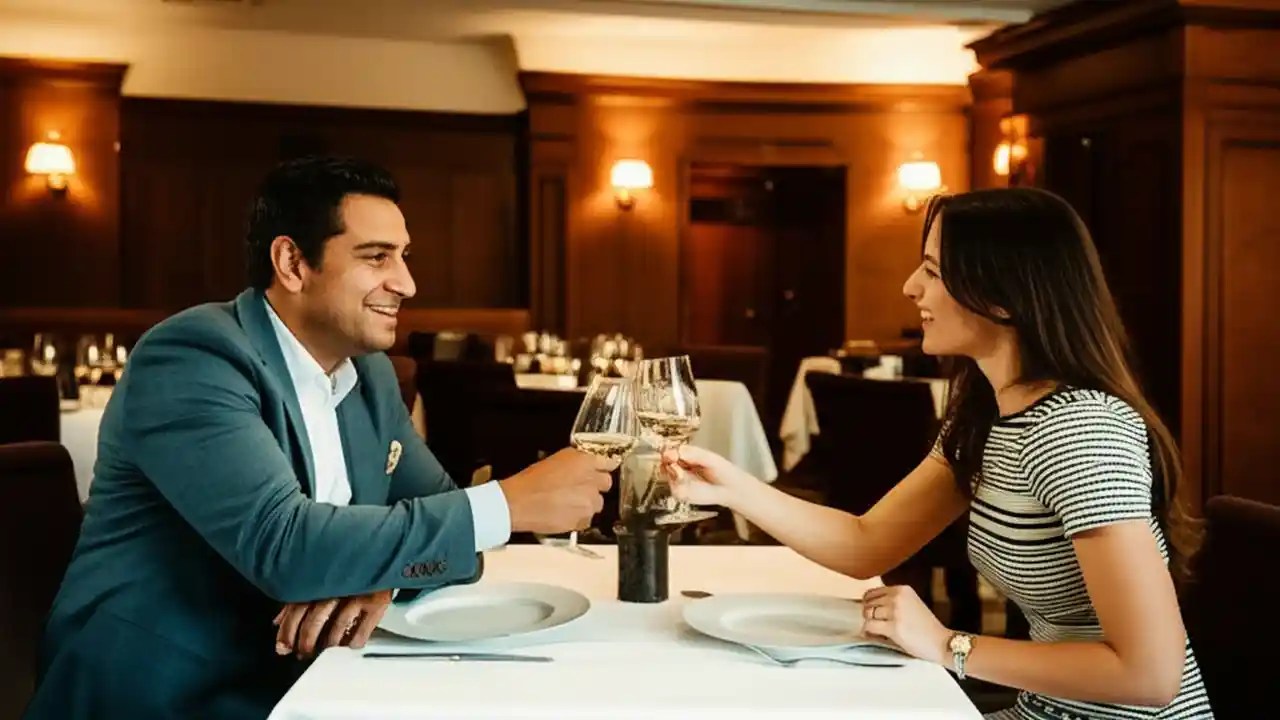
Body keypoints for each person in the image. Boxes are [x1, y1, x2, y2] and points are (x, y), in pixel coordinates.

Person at [24, 156, 612, 720]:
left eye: (404, 257)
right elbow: (285, 547)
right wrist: (509, 504)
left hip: (305, 679)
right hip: (165, 692)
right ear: (292, 263)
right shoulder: (193, 357)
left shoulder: (370, 373)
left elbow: (442, 529)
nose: (406, 282)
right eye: (376, 257)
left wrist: (375, 575)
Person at [670, 188, 1212, 719]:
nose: (911, 288)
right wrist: (731, 487)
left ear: (1001, 294)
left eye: (932, 270)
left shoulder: (1078, 430)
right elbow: (866, 544)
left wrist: (948, 643)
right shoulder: (985, 416)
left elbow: (1151, 675)